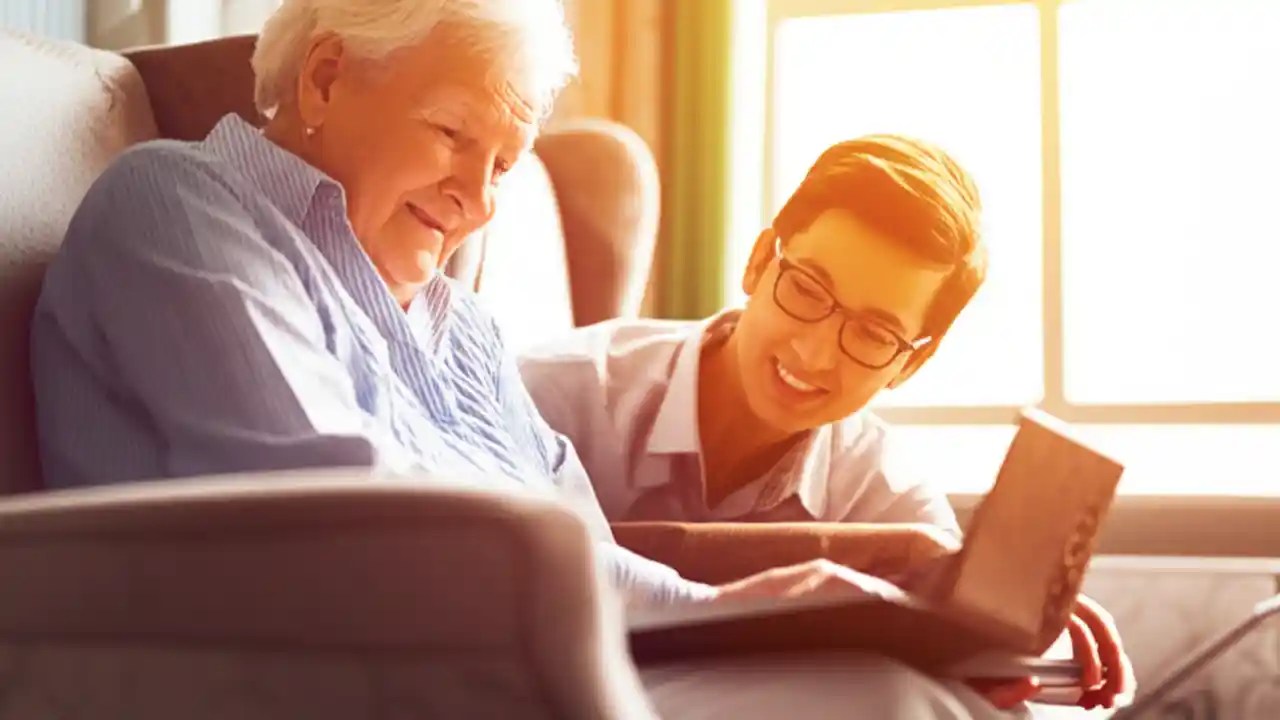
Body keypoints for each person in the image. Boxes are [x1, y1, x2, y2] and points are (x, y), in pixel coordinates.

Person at [28, 0, 1128, 716]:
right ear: (324, 80)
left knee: (925, 693)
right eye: (456, 135)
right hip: (330, 678)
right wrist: (737, 610)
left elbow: (580, 544)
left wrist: (830, 596)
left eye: (505, 161)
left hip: (513, 671)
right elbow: (347, 518)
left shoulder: (455, 326)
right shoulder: (181, 207)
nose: (478, 199)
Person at [518, 135, 1132, 712]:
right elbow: (489, 575)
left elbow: (970, 673)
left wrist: (1016, 642)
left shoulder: (882, 489)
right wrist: (880, 555)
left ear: (909, 363)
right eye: (808, 289)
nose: (815, 354)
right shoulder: (553, 391)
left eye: (872, 333)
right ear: (760, 263)